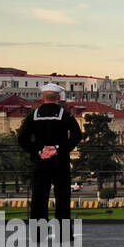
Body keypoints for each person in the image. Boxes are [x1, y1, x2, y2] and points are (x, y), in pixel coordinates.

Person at [16, 83, 83, 223]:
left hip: (40, 161)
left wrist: (39, 150)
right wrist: (57, 149)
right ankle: (63, 234)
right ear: (58, 97)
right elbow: (76, 136)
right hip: (60, 161)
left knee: (39, 197)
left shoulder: (33, 116)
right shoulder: (65, 115)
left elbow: (22, 138)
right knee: (62, 197)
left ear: (42, 97)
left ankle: (38, 233)